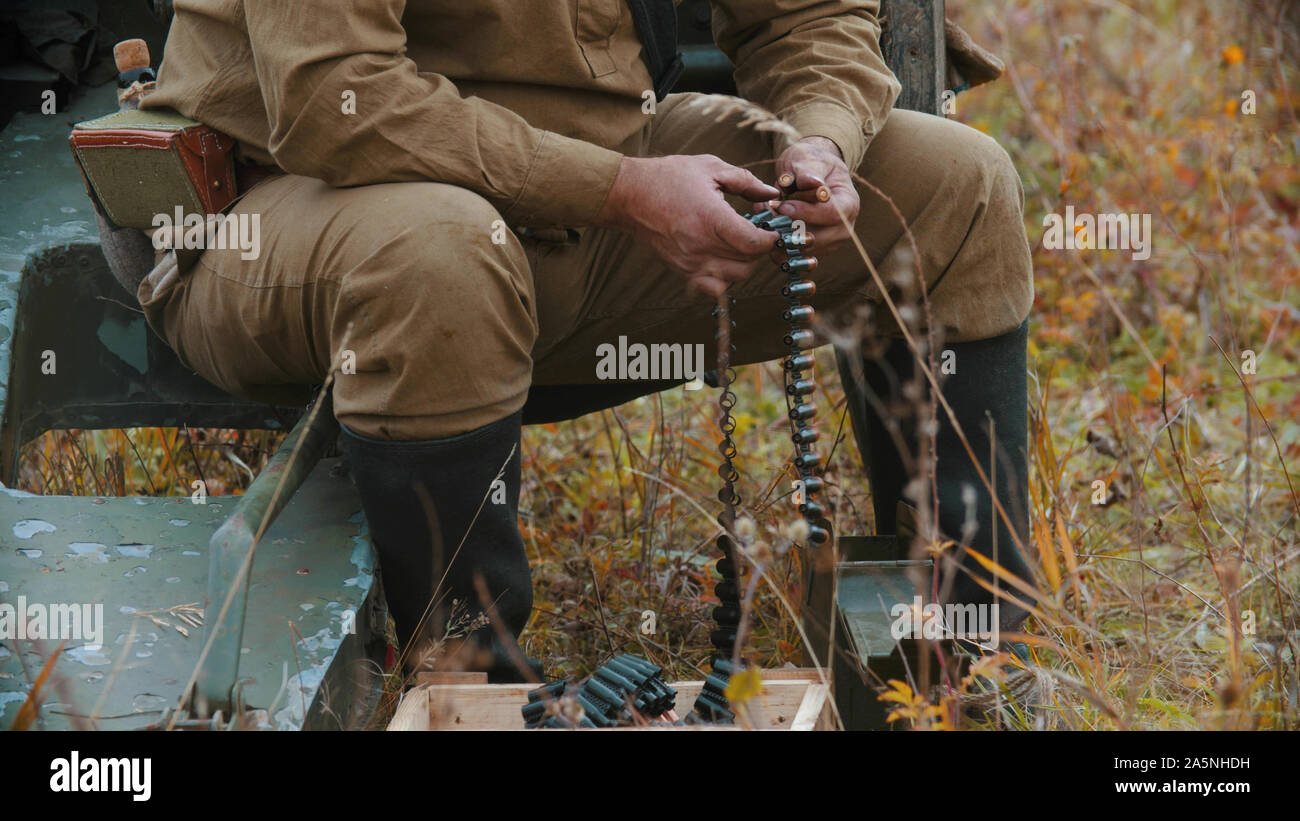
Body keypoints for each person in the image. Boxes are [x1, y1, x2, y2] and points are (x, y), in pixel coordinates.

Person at [135, 0, 1035, 681]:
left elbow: (804, 15)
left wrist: (823, 139)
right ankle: (469, 686)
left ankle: (962, 663)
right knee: (441, 252)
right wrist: (621, 190)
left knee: (958, 185)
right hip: (289, 202)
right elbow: (337, 100)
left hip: (589, 188)